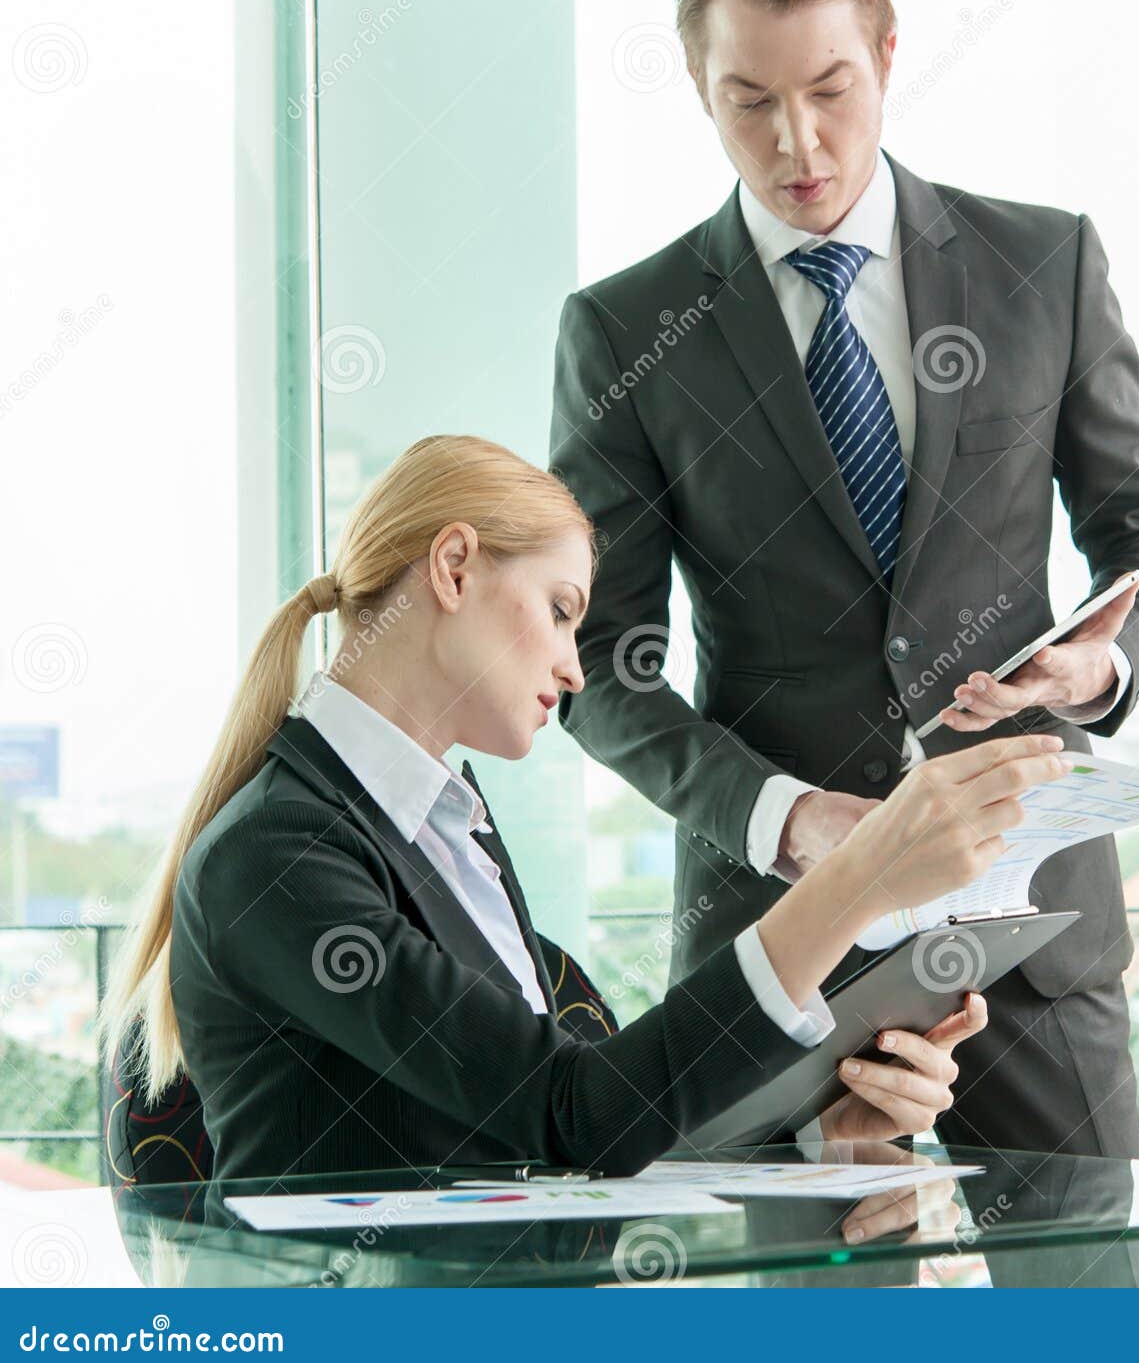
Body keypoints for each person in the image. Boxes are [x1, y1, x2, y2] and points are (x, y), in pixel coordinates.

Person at [549, 0, 1139, 1165]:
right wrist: (791, 822)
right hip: (788, 946)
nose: (798, 142)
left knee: (1093, 1324)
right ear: (699, 86)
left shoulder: (1042, 264)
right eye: (751, 100)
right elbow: (600, 669)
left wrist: (1098, 663)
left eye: (830, 88)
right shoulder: (627, 332)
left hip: (1032, 927)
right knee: (810, 1329)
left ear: (889, 55)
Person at [99, 434, 1074, 1184]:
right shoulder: (277, 854)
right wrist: (856, 882)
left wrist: (823, 1133)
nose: (574, 666)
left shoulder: (447, 829)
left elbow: (580, 1133)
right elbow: (571, 1115)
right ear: (452, 568)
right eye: (562, 607)